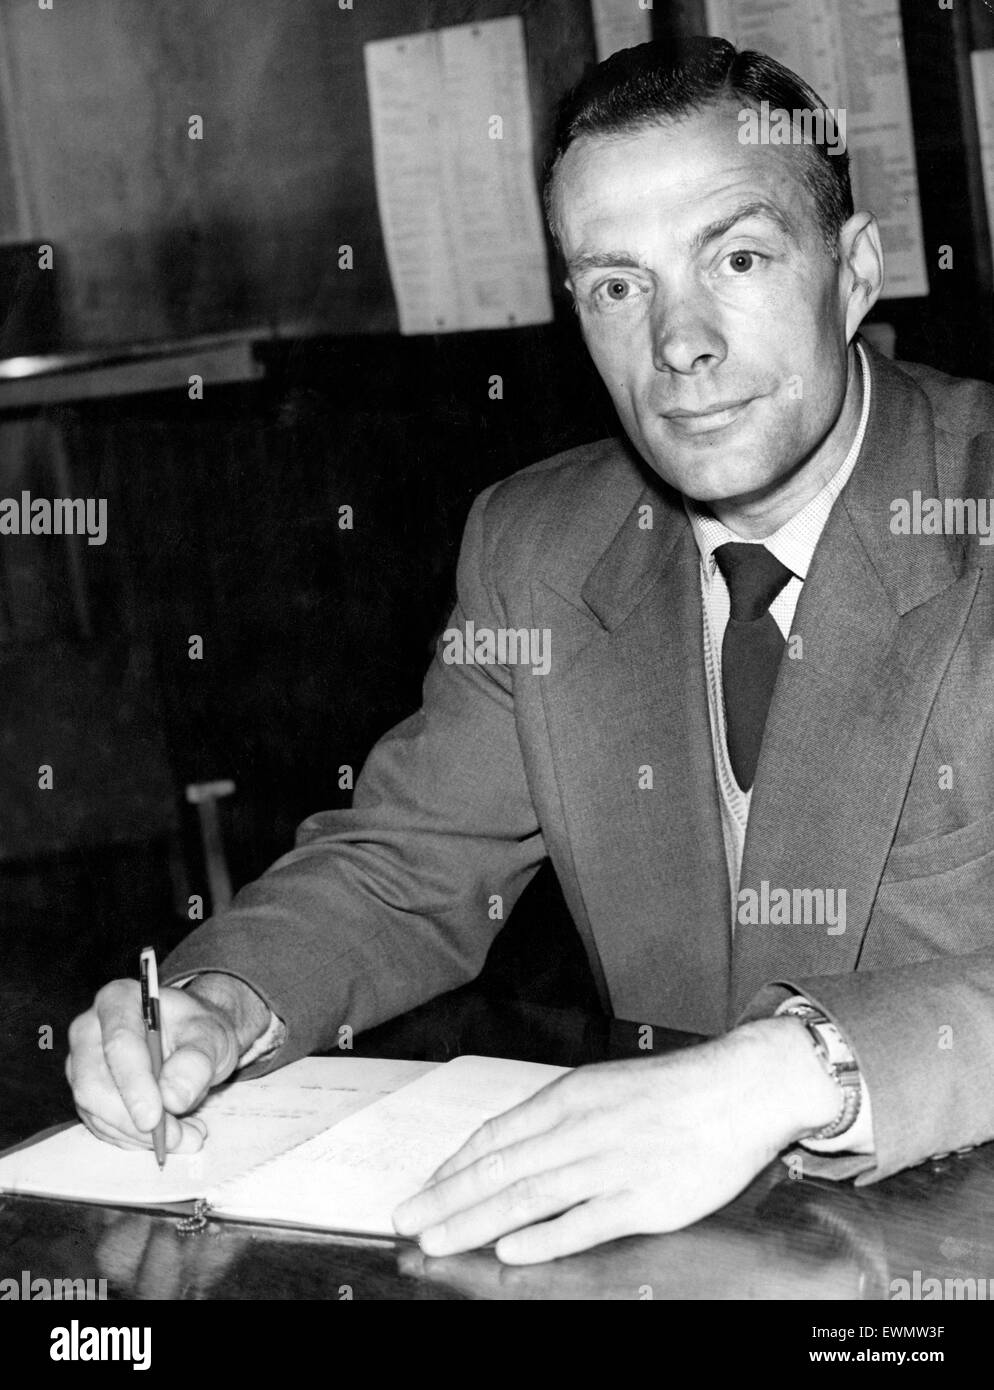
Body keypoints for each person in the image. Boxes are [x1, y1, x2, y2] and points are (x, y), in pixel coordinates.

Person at [67, 37, 994, 1265]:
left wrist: (795, 1070)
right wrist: (221, 1006)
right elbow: (405, 865)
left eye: (739, 257)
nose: (679, 342)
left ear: (856, 270)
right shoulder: (541, 544)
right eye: (618, 285)